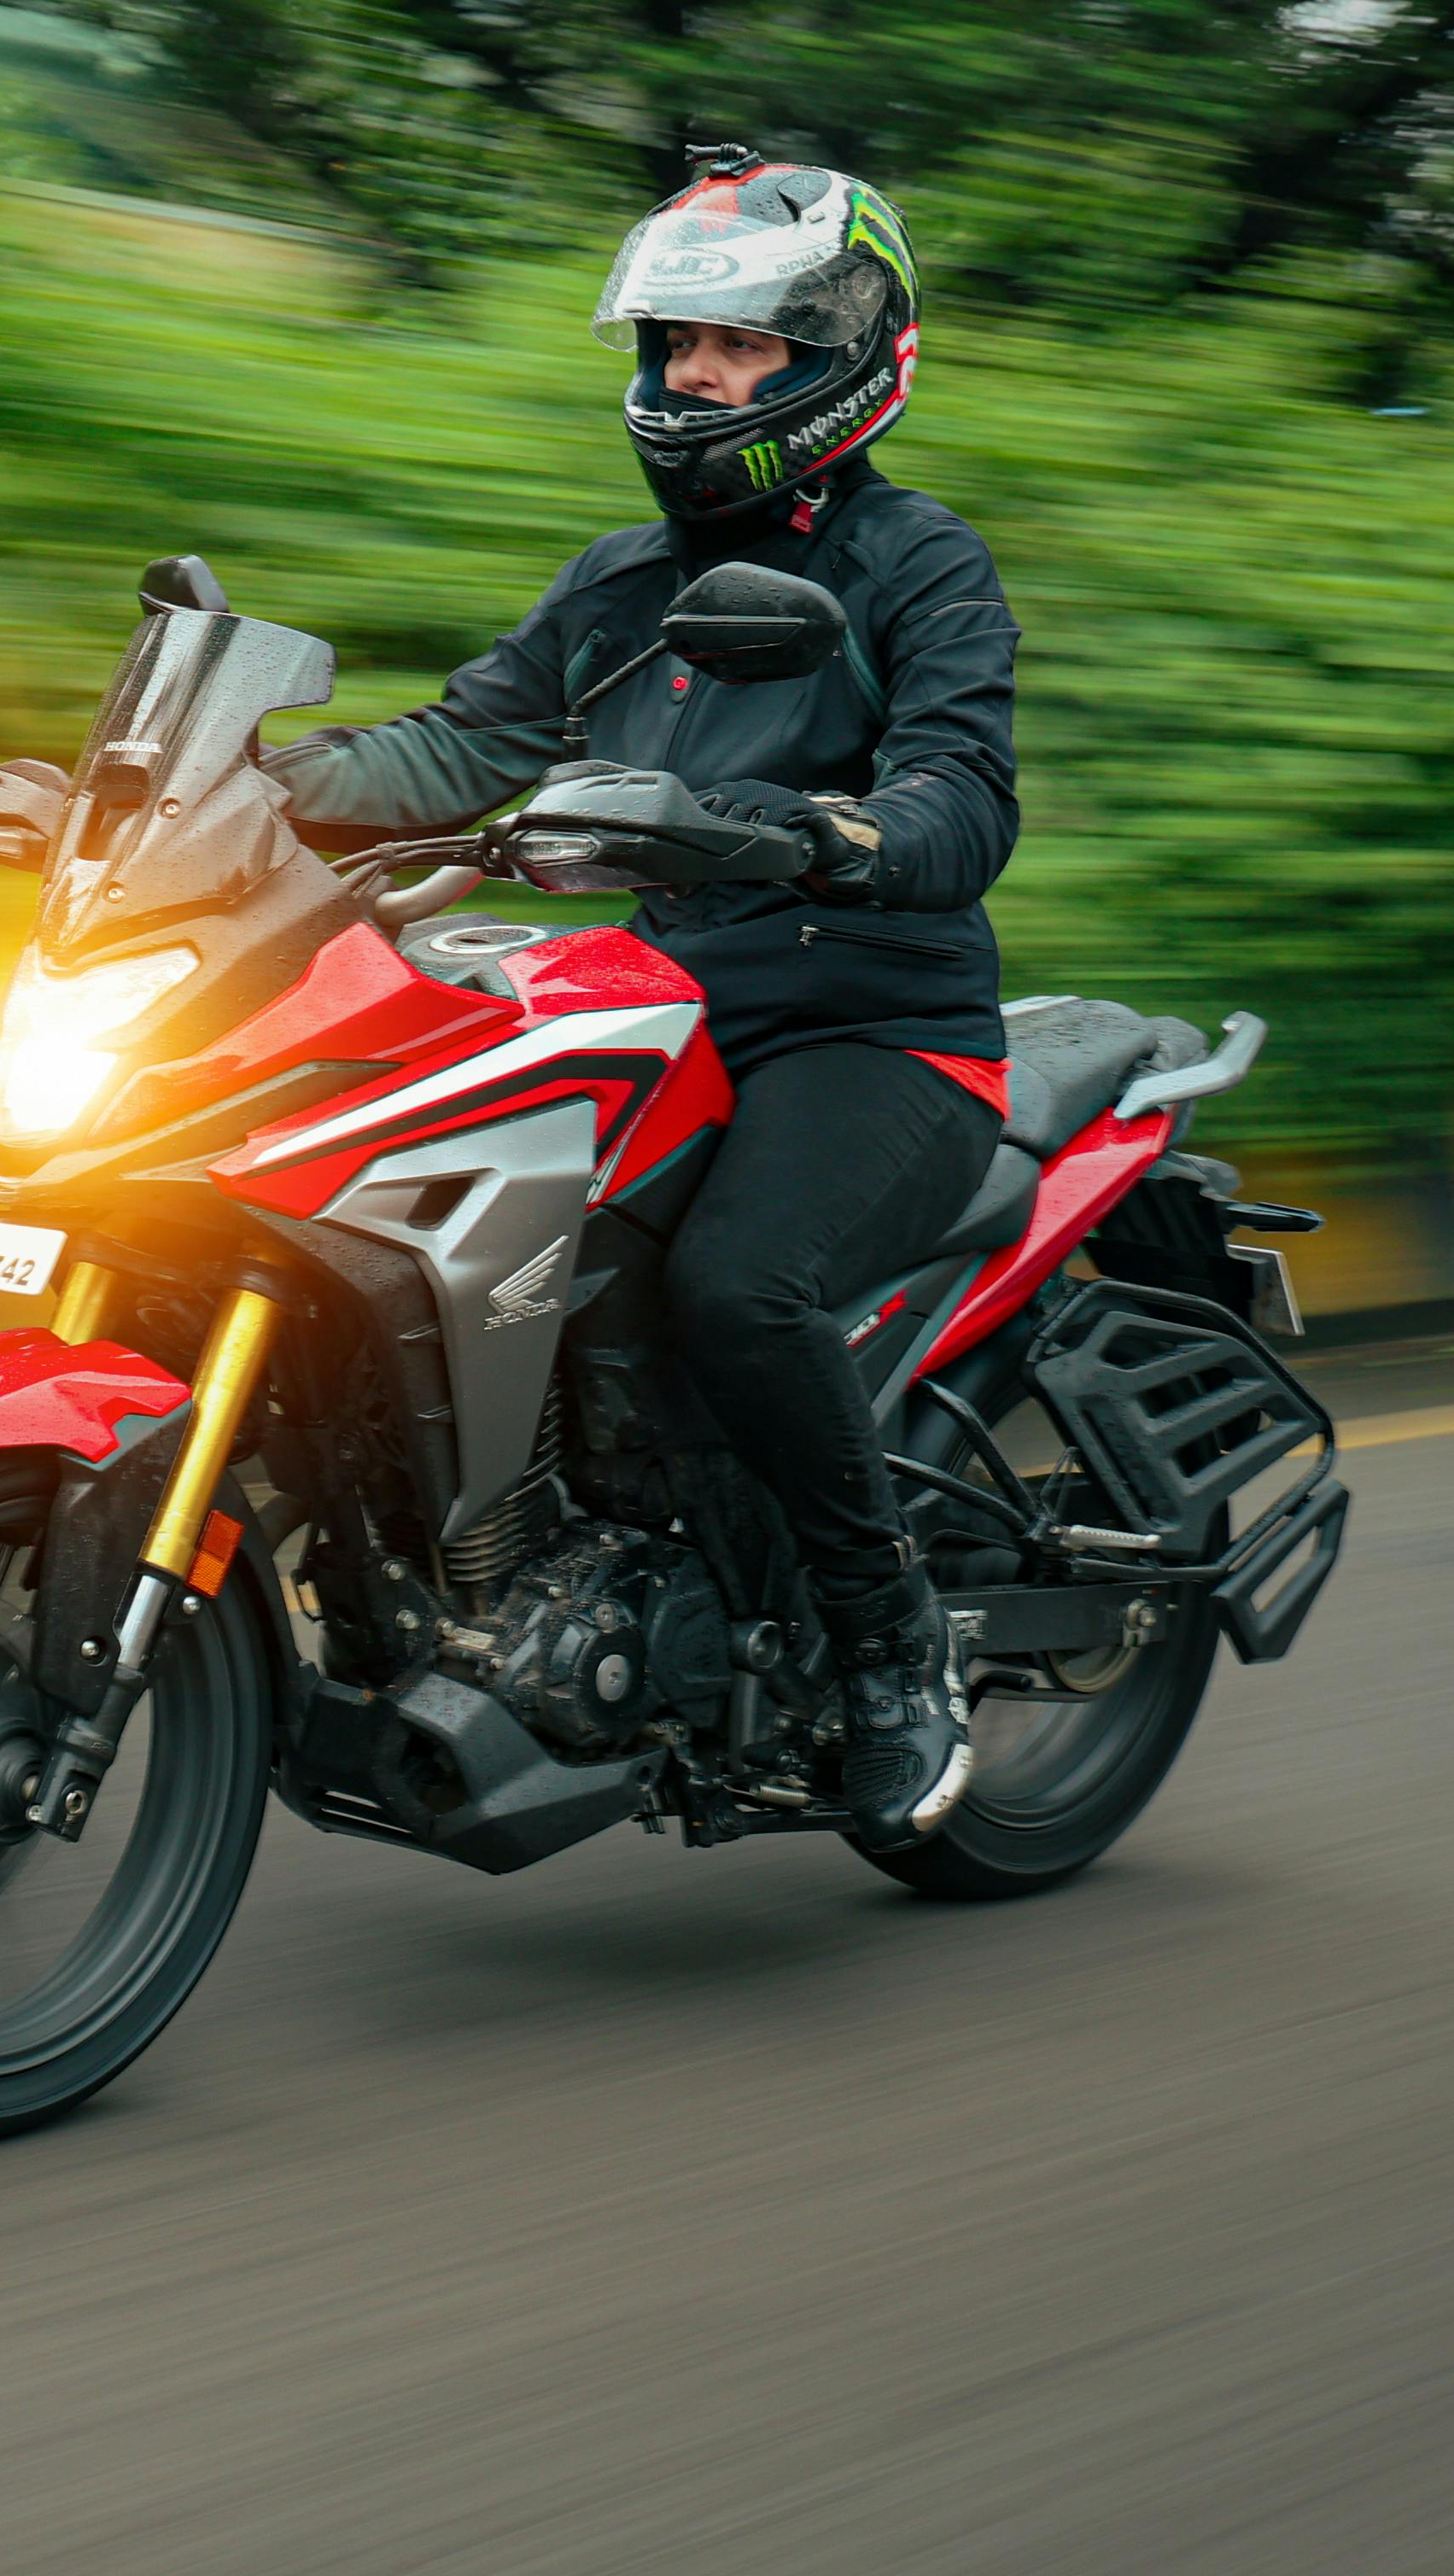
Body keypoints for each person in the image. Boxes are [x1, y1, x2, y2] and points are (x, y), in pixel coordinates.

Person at [262, 156, 1013, 1838]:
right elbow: (460, 744)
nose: (694, 374)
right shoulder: (618, 581)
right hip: (653, 1020)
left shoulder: (916, 564)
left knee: (741, 1292)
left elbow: (965, 802)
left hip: (869, 1031)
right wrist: (238, 785)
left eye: (740, 344)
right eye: (678, 337)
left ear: (840, 356)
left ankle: (893, 1648)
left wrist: (810, 833)